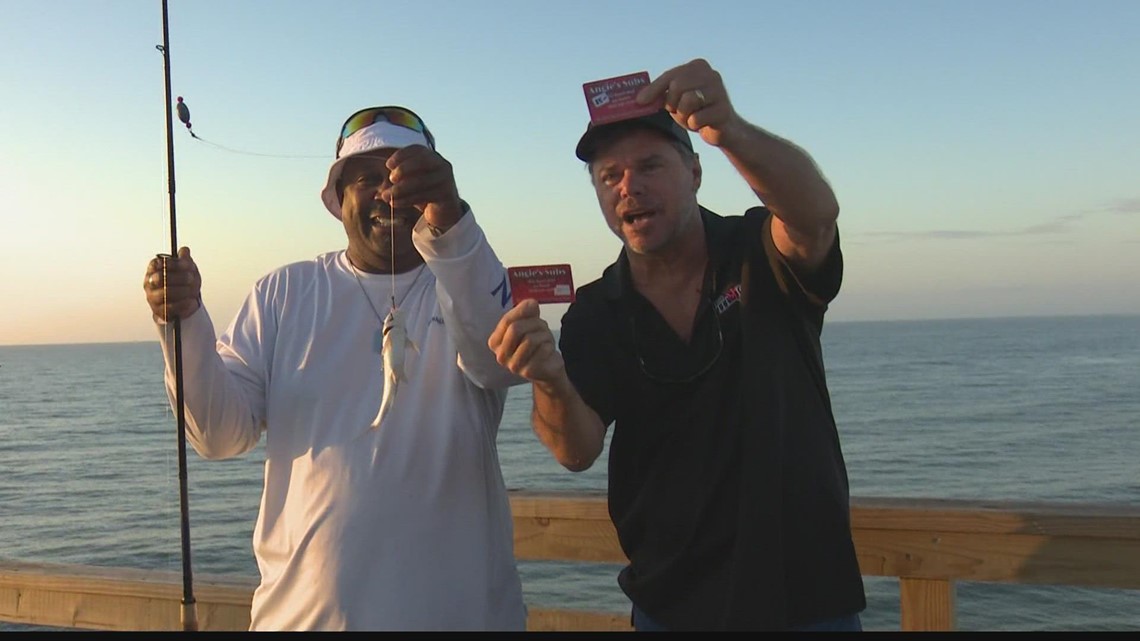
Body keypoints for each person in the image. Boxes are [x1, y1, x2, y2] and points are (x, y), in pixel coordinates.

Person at [488, 59, 866, 631]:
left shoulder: (757, 249)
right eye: (607, 176)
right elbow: (576, 449)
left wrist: (729, 129)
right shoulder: (596, 310)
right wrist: (548, 378)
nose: (628, 187)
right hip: (672, 604)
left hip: (808, 598)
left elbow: (816, 217)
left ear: (694, 172)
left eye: (649, 166)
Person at [142, 105, 528, 631]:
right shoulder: (283, 292)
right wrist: (183, 322)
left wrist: (451, 220)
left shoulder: (470, 277)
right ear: (338, 200)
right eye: (367, 178)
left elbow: (494, 364)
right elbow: (219, 435)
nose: (387, 192)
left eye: (405, 176)